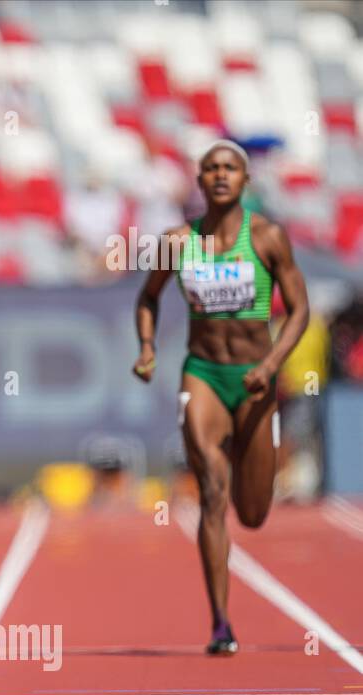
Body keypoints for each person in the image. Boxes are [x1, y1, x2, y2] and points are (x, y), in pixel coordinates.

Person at [133, 140, 309, 655]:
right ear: (199, 180)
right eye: (210, 168)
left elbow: (299, 310)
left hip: (255, 378)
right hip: (203, 374)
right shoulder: (177, 241)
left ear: (245, 180)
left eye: (230, 167)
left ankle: (245, 475)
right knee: (211, 489)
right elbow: (147, 298)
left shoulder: (269, 238)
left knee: (252, 512)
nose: (220, 175)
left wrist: (272, 365)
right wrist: (146, 348)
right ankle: (222, 624)